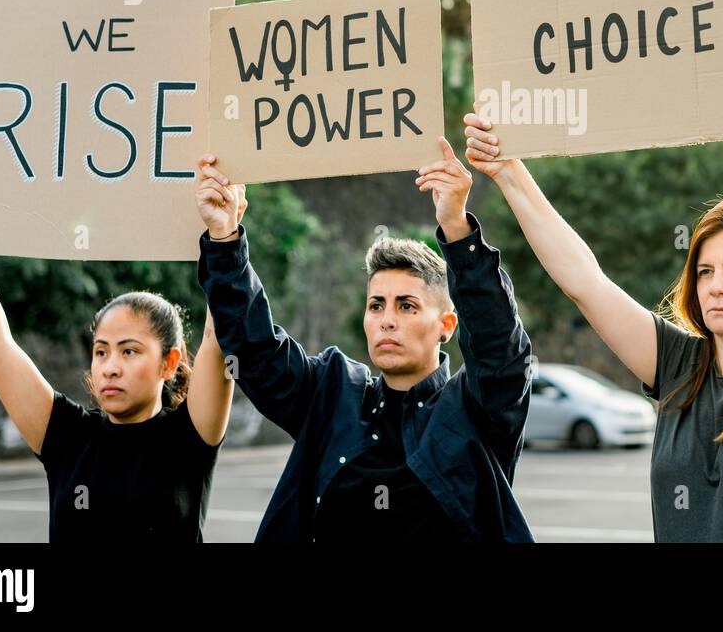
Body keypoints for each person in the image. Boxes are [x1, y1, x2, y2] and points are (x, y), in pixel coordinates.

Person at [463, 57, 723, 542]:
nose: (716, 285)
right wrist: (507, 171)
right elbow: (585, 282)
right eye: (705, 271)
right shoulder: (678, 365)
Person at [193, 136, 534, 542]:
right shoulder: (332, 393)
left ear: (446, 325)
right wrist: (225, 237)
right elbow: (256, 352)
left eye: (406, 306)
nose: (387, 320)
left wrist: (458, 229)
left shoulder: (476, 410)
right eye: (376, 306)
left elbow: (501, 350)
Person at [0, 175, 239, 542]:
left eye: (129, 351)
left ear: (169, 363)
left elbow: (219, 337)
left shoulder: (189, 436)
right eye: (101, 351)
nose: (110, 366)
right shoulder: (67, 436)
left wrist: (224, 235)